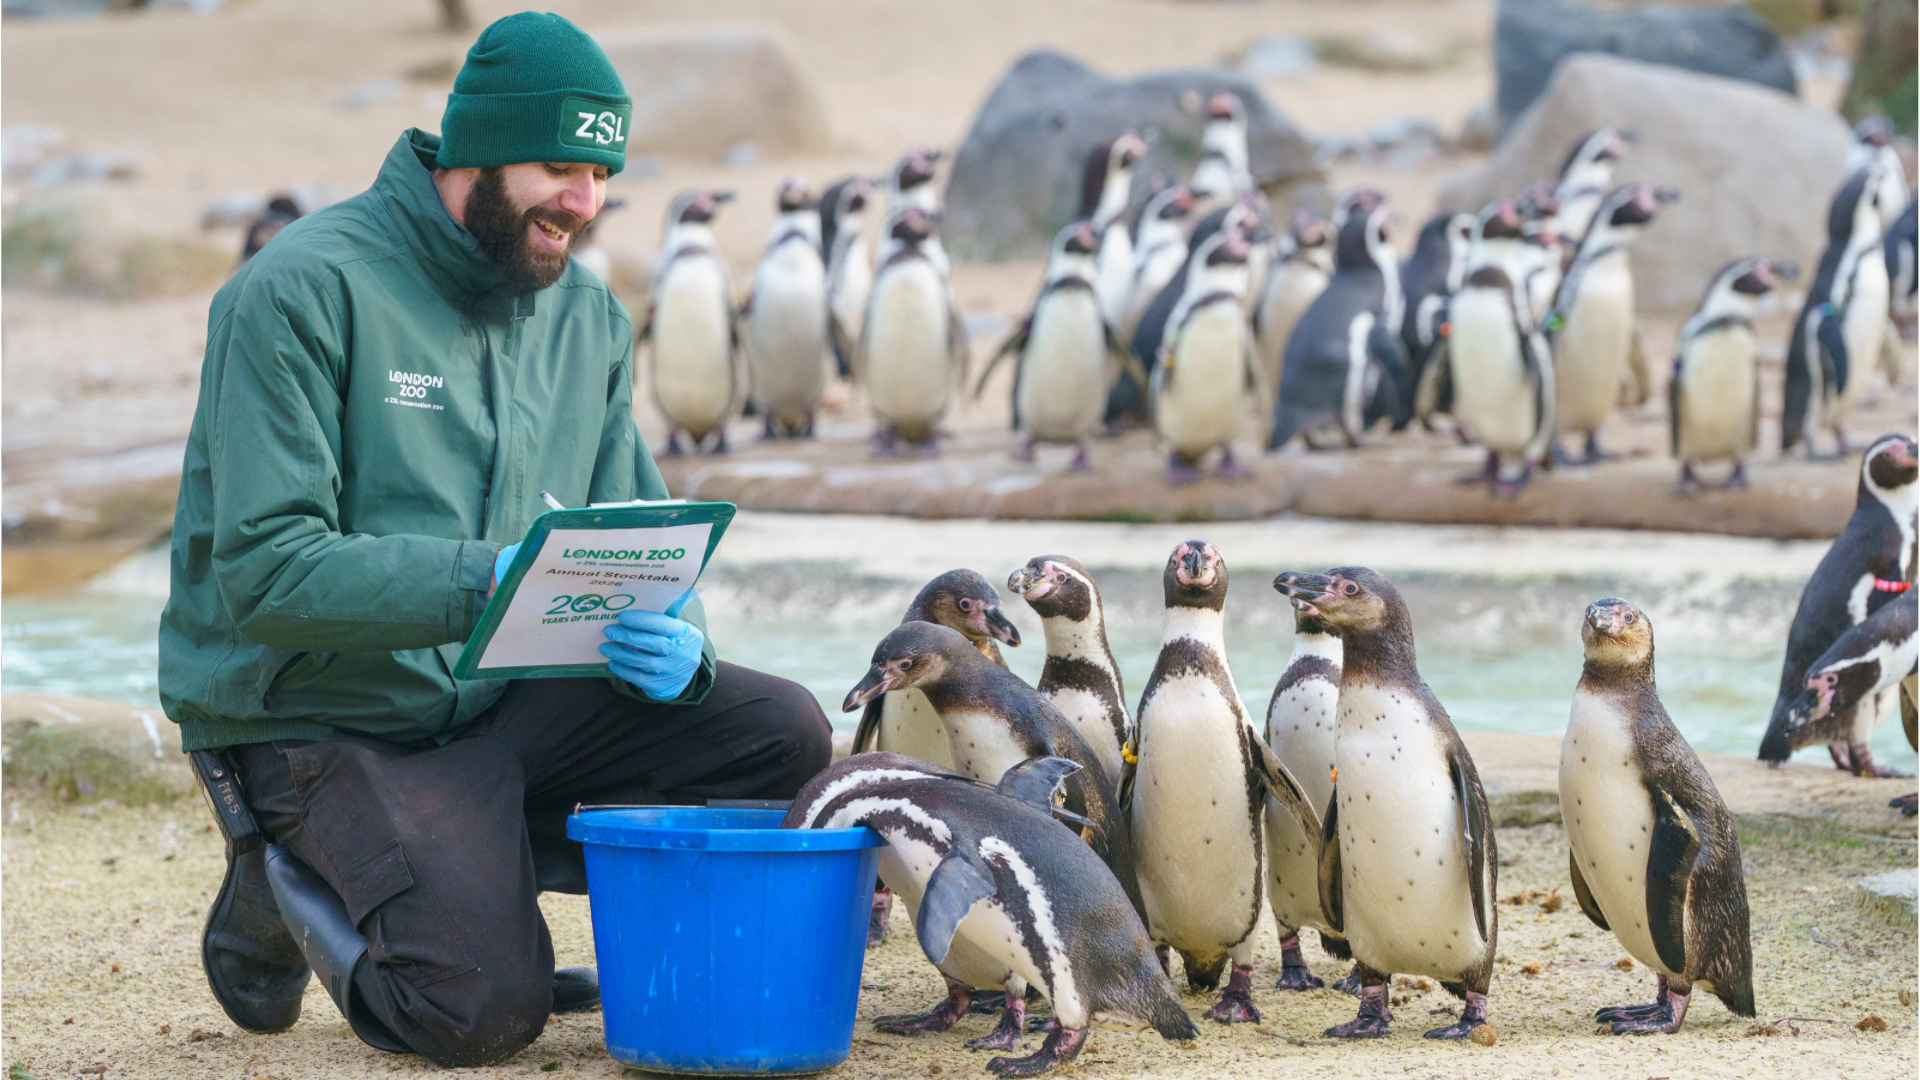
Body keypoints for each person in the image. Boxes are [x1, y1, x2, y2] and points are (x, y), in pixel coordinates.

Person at [160, 13, 832, 1067]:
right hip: (324, 712)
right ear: (472, 152)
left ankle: (448, 881)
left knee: (778, 734)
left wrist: (681, 642)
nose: (586, 202)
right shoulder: (296, 290)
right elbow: (264, 572)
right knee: (478, 1009)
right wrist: (484, 581)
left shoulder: (587, 320)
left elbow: (643, 540)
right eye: (560, 167)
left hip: (496, 706)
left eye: (603, 173)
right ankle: (302, 871)